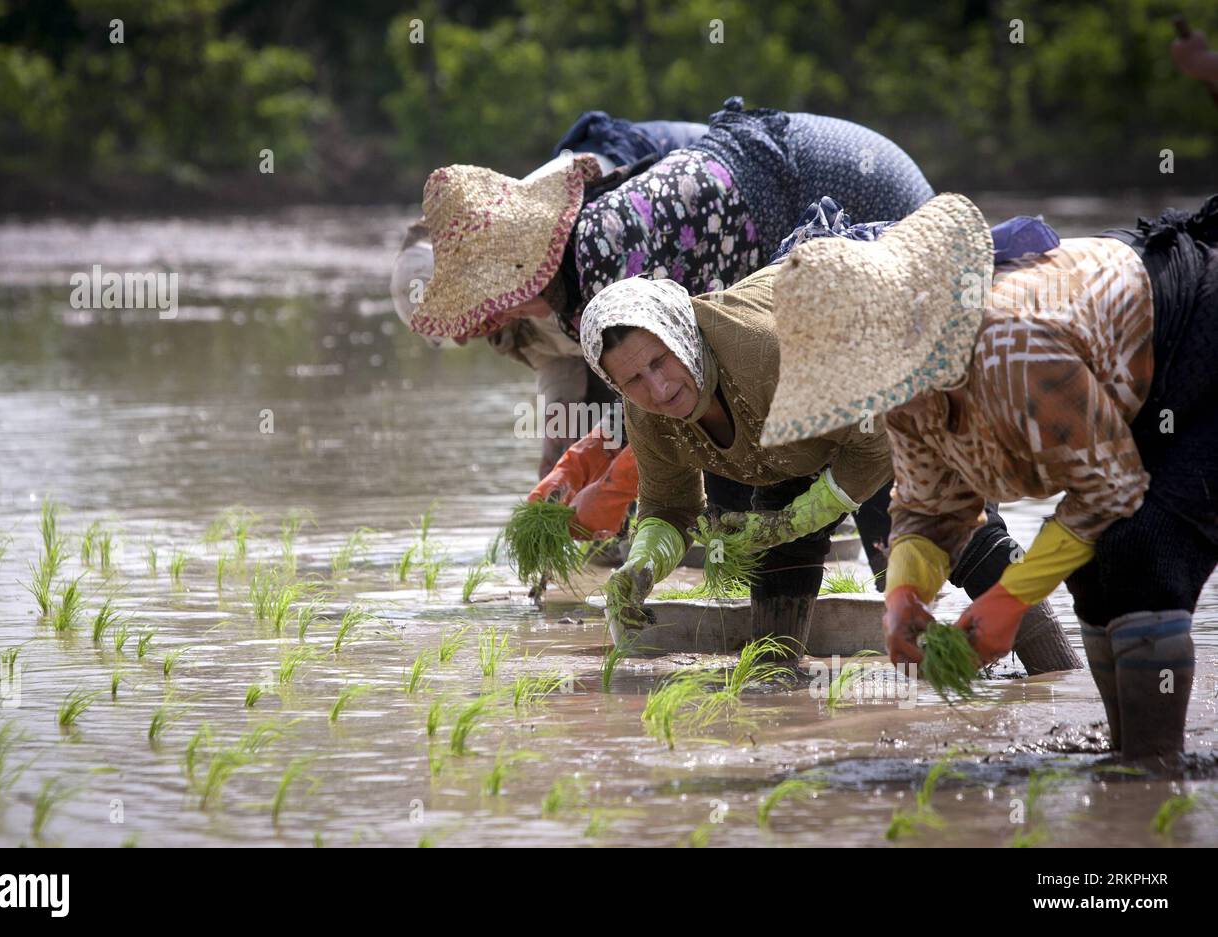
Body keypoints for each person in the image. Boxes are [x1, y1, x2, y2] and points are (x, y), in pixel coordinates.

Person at [759, 191, 1218, 764]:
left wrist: (1010, 601)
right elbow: (929, 506)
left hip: (1195, 343)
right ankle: (1127, 761)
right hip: (1125, 382)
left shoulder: (1007, 346)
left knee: (1139, 552)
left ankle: (1153, 775)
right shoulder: (903, 392)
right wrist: (902, 597)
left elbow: (1109, 487)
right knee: (1092, 573)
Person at [578, 257, 1080, 675]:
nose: (659, 390)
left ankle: (1061, 682)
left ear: (679, 334)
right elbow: (671, 505)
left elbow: (878, 436)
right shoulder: (646, 413)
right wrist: (640, 568)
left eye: (660, 362)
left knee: (968, 545)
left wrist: (797, 517)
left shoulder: (762, 351)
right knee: (774, 621)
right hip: (791, 444)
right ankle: (785, 733)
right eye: (633, 381)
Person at [406, 97, 935, 475]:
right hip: (787, 219)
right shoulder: (568, 289)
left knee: (900, 423)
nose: (476, 327)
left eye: (481, 304)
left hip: (845, 189)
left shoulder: (604, 252)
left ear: (519, 271)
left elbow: (695, 380)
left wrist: (614, 481)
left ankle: (952, 596)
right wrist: (581, 462)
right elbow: (645, 394)